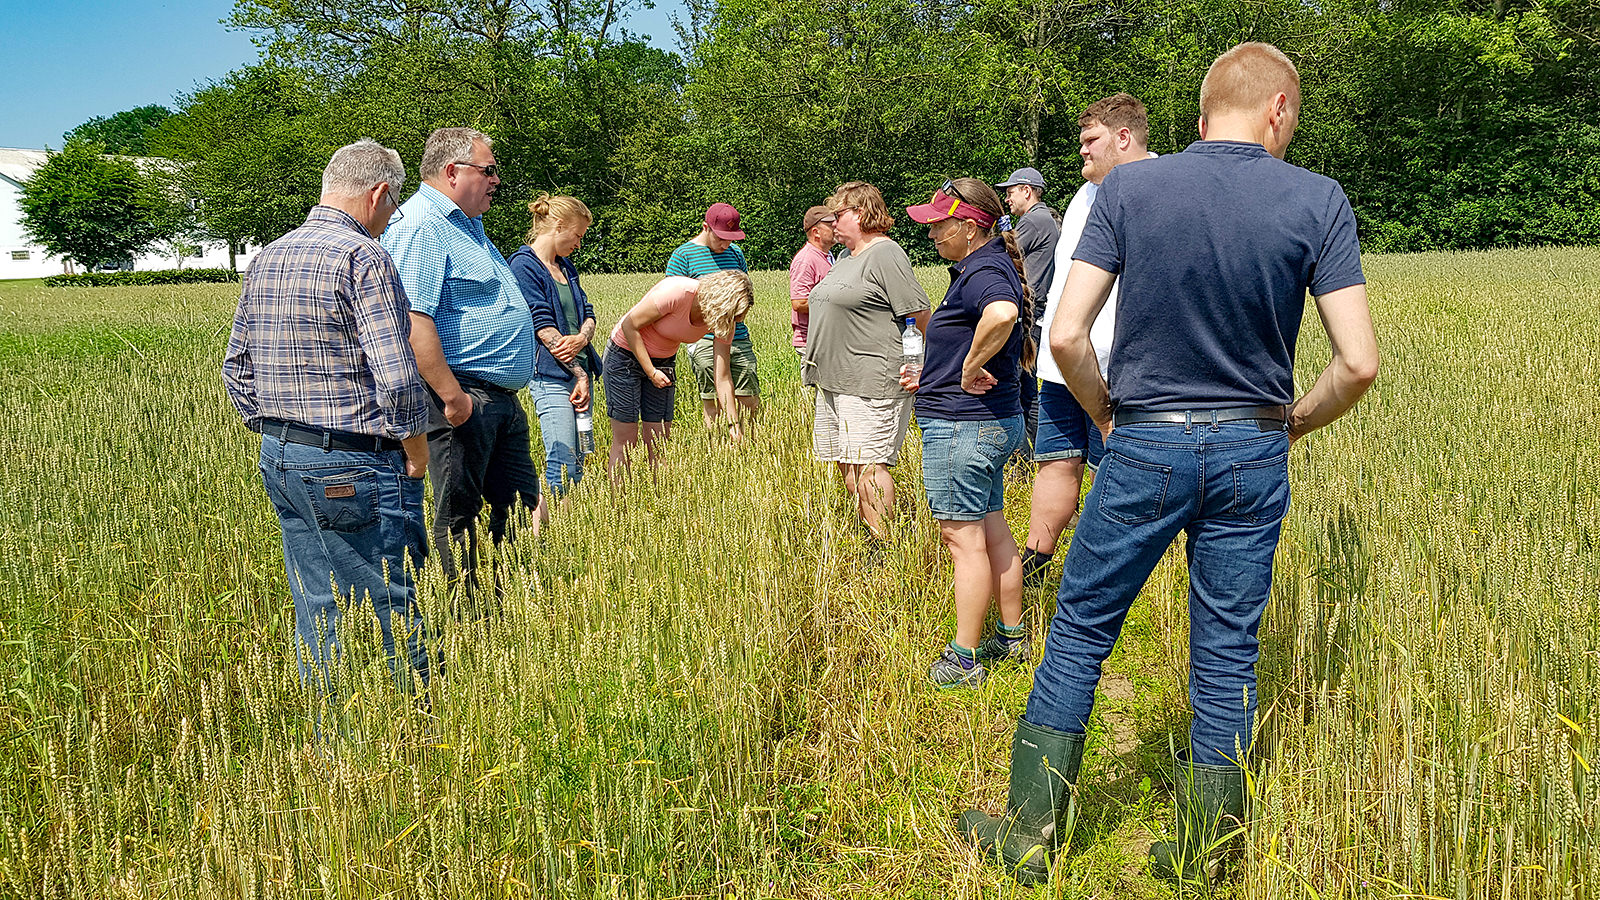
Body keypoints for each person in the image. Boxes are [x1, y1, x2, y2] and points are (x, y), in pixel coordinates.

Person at [961, 44, 1379, 886]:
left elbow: (1070, 335)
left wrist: (1109, 413)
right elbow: (1359, 363)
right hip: (1253, 444)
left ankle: (1032, 834)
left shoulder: (1128, 190)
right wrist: (1290, 422)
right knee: (1227, 647)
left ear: (1199, 117)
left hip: (1146, 437)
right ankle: (1203, 856)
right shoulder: (1318, 200)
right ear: (1281, 109)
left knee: (1081, 629)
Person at [222, 138, 432, 701]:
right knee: (389, 596)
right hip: (353, 460)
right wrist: (416, 449)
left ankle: (332, 734)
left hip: (282, 455)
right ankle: (414, 727)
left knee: (316, 602)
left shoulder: (269, 254)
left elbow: (236, 366)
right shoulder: (363, 257)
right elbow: (394, 371)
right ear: (379, 193)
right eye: (392, 209)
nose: (390, 223)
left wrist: (278, 430)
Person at [381, 127, 539, 599]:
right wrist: (453, 399)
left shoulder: (468, 226)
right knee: (460, 510)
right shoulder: (420, 226)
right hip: (463, 395)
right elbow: (414, 320)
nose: (496, 181)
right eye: (488, 170)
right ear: (452, 172)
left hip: (500, 398)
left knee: (515, 501)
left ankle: (506, 595)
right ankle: (469, 613)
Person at [902, 178, 1034, 687]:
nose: (932, 232)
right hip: (990, 423)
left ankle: (963, 657)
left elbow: (1002, 314)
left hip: (963, 426)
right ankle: (1013, 636)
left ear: (970, 226)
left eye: (939, 223)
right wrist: (940, 368)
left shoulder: (982, 270)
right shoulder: (987, 265)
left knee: (963, 540)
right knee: (993, 528)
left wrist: (964, 369)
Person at [1021, 93, 1155, 589]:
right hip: (1062, 366)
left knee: (1111, 472)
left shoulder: (1159, 190)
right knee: (1056, 462)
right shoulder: (1083, 197)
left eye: (1090, 142)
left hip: (1117, 368)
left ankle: (1103, 575)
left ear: (1124, 137)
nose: (1082, 153)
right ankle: (1036, 563)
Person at [802, 181, 931, 542]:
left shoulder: (885, 254)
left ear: (860, 214)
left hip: (872, 378)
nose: (832, 223)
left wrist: (922, 364)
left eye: (838, 215)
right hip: (833, 380)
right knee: (847, 462)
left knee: (870, 465)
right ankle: (872, 533)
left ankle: (887, 545)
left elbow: (919, 314)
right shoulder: (844, 258)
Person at [604, 270, 755, 479]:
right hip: (624, 356)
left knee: (659, 440)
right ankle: (618, 505)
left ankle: (658, 498)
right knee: (627, 439)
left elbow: (722, 377)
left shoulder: (724, 321)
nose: (735, 323)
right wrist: (650, 371)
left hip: (663, 362)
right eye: (733, 316)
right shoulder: (677, 292)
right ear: (722, 303)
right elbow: (630, 325)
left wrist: (733, 425)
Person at [507, 194, 600, 497]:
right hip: (551, 377)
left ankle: (573, 518)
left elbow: (588, 312)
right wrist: (581, 376)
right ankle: (556, 522)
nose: (579, 243)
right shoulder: (524, 266)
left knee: (581, 456)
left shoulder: (566, 266)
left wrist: (583, 338)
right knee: (562, 457)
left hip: (579, 374)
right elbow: (542, 327)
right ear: (559, 226)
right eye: (577, 235)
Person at [667, 203, 760, 434]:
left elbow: (742, 293)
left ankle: (749, 443)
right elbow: (674, 301)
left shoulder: (736, 253)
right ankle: (718, 448)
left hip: (736, 335)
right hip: (703, 338)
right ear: (705, 228)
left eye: (731, 239)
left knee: (749, 397)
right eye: (721, 238)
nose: (726, 244)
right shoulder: (683, 256)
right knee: (712, 399)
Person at [994, 166, 1059, 456]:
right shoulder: (1046, 219)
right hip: (1036, 314)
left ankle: (1023, 458)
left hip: (1027, 316)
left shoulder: (1034, 221)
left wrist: (999, 233)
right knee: (1027, 389)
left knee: (1018, 389)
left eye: (1010, 193)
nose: (1008, 199)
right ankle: (1035, 454)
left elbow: (1001, 253)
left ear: (1026, 191)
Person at [789, 205, 836, 357]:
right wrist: (837, 302)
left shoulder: (828, 255)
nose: (836, 226)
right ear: (816, 232)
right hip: (812, 343)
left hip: (826, 340)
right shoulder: (806, 259)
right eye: (830, 225)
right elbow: (799, 303)